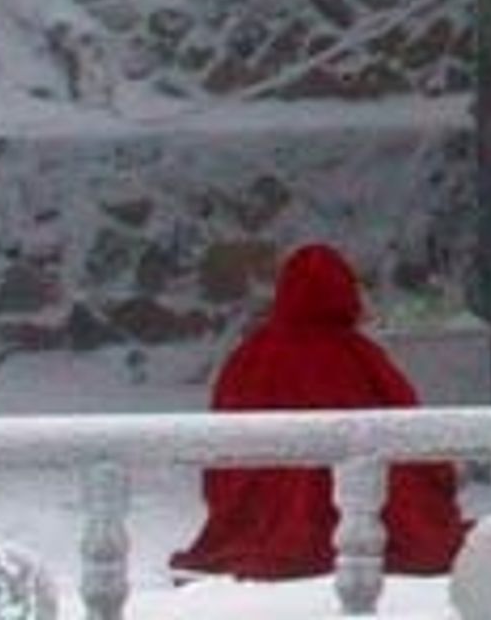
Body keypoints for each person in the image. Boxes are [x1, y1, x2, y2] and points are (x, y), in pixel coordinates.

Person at [168, 245, 470, 581]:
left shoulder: (249, 359)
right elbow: (412, 435)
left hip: (262, 518)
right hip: (364, 514)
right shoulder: (360, 359)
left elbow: (221, 452)